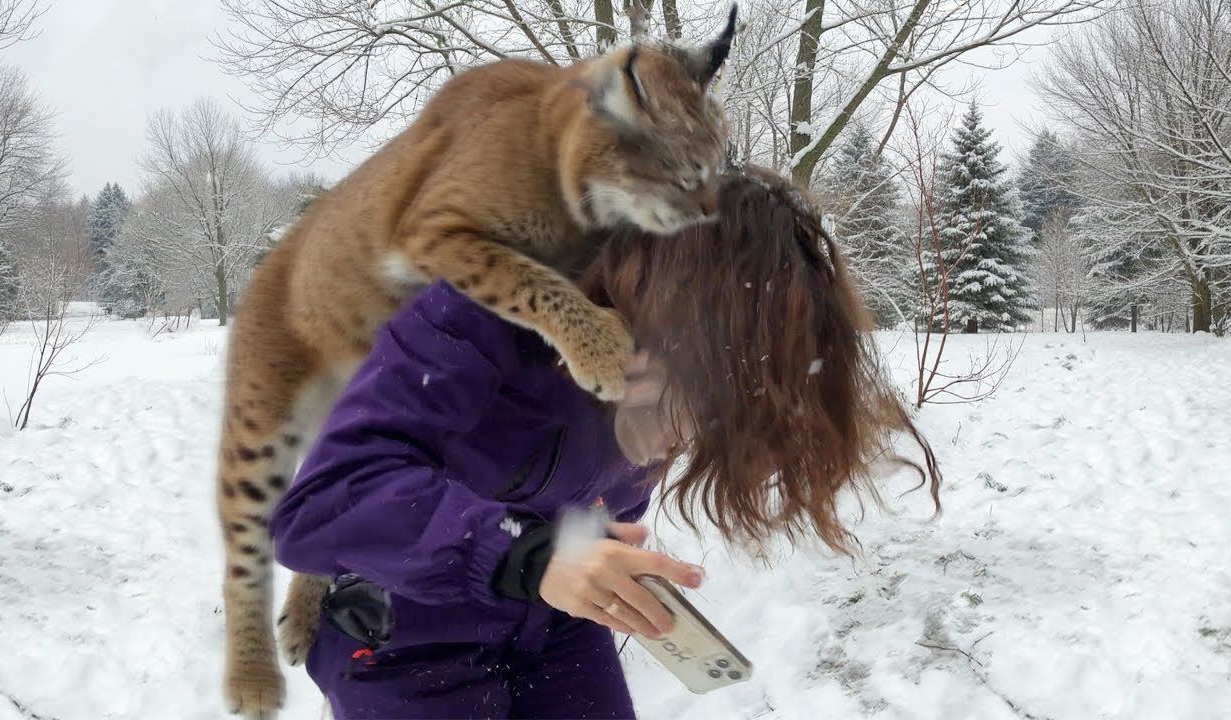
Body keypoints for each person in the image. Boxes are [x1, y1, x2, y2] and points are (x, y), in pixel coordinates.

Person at [268, 164, 941, 719]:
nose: (698, 424)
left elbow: (592, 498)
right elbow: (325, 501)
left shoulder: (674, 388)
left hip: (549, 619)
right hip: (402, 621)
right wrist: (524, 557)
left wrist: (597, 559)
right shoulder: (475, 313)